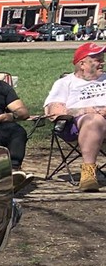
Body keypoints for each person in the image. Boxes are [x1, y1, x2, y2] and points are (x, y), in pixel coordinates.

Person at [44, 42, 106, 192]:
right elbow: (53, 111)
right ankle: (88, 174)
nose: (102, 63)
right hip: (77, 125)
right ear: (82, 64)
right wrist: (90, 110)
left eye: (102, 59)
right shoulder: (65, 83)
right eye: (98, 60)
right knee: (94, 120)